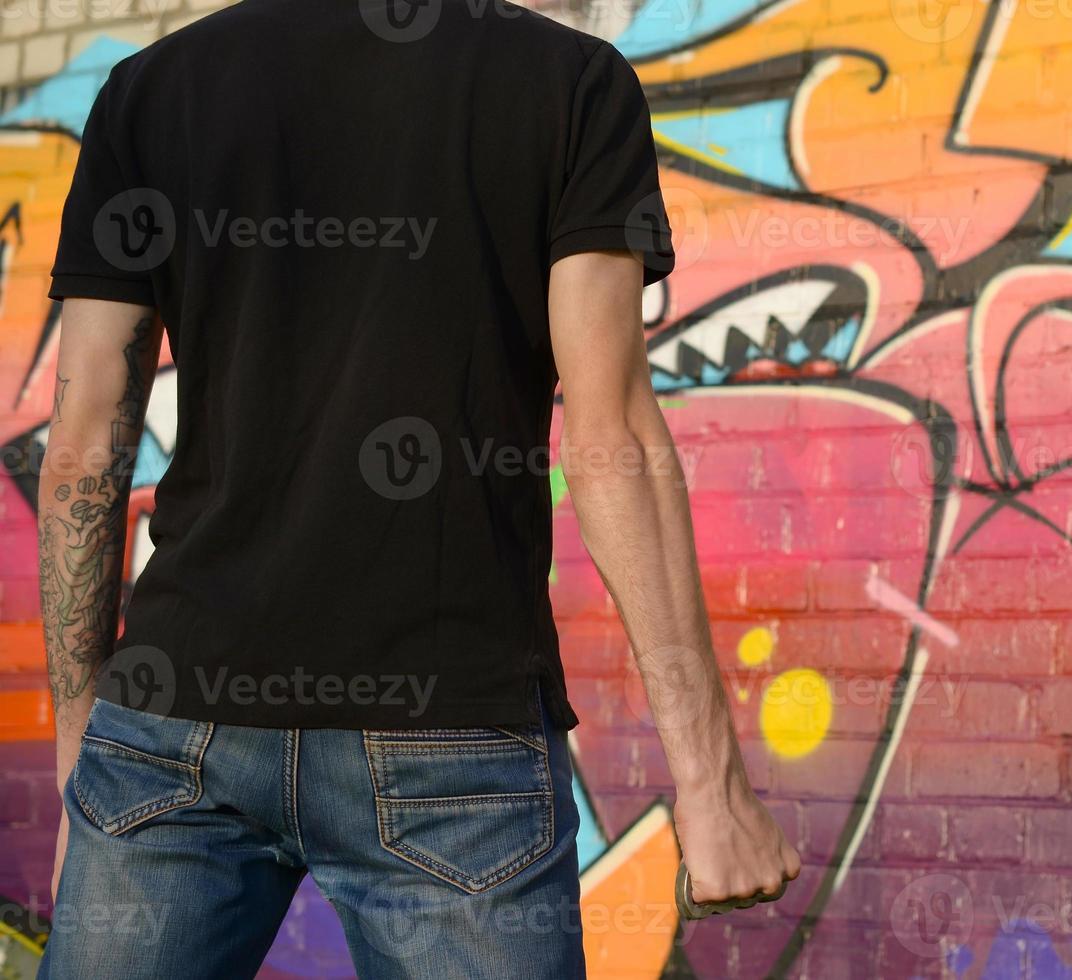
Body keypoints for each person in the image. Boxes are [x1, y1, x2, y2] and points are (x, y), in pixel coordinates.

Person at [36, 0, 800, 975]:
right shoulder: (568, 84)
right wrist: (709, 781)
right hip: (449, 741)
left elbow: (85, 445)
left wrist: (80, 749)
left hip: (174, 722)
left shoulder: (150, 92)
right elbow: (614, 439)